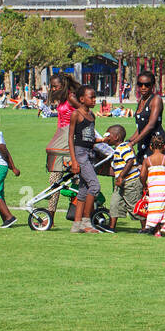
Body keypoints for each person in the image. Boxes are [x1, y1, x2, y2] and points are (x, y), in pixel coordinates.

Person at [67, 84, 106, 234]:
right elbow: (71, 138)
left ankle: (76, 225)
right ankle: (86, 222)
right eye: (92, 97)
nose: (95, 100)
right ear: (82, 99)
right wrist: (74, 161)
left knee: (83, 189)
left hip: (90, 153)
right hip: (80, 154)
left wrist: (102, 141)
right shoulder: (76, 114)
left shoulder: (92, 116)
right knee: (94, 186)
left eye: (95, 97)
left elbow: (89, 138)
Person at [44, 74, 81, 222]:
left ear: (63, 85)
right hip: (61, 141)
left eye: (55, 86)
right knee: (55, 181)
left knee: (73, 181)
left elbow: (86, 113)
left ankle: (77, 215)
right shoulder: (63, 99)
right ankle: (50, 217)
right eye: (51, 86)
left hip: (70, 142)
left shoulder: (71, 98)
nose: (53, 89)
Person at [125, 70, 165, 163]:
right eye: (140, 84)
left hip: (156, 144)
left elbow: (151, 125)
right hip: (143, 142)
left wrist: (133, 142)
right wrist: (128, 141)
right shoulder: (141, 100)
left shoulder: (156, 100)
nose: (143, 87)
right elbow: (141, 127)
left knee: (154, 175)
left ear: (152, 85)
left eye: (147, 85)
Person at [103, 125, 140, 234]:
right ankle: (112, 226)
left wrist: (121, 176)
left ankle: (145, 227)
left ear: (116, 137)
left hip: (130, 182)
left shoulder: (124, 147)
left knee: (134, 206)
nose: (106, 138)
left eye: (108, 135)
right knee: (114, 204)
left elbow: (130, 161)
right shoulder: (117, 150)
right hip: (120, 184)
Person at [138, 133, 165, 237]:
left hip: (153, 188)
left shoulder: (147, 160)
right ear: (164, 146)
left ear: (150, 147)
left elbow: (142, 175)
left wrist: (144, 185)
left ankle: (157, 231)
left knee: (155, 206)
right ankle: (164, 225)